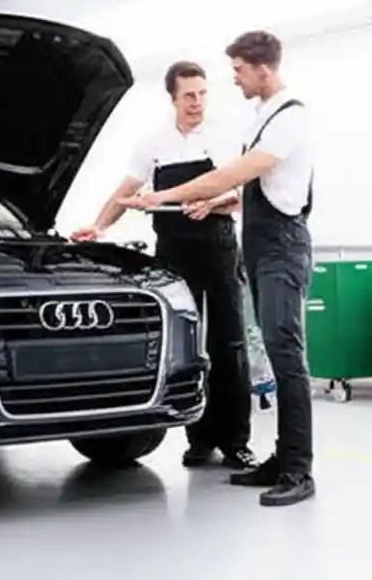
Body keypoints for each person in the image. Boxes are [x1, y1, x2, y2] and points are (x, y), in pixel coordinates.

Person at [119, 31, 316, 507]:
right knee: (271, 345)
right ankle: (278, 456)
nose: (234, 79)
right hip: (260, 247)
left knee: (285, 358)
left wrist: (163, 196)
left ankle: (298, 468)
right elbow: (241, 190)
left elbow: (230, 177)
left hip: (281, 248)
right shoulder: (263, 117)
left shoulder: (290, 119)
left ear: (262, 69)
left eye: (239, 71)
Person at [71, 60, 258, 473]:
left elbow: (240, 194)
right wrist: (98, 225)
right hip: (174, 249)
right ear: (172, 98)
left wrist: (212, 201)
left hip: (218, 246)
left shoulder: (224, 137)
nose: (197, 103)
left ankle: (236, 441)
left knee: (229, 344)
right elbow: (127, 190)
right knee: (186, 343)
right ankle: (200, 439)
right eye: (189, 95)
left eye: (203, 94)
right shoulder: (153, 142)